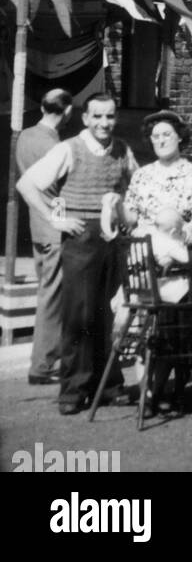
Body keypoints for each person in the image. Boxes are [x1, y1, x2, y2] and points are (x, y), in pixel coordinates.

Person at [16, 93, 137, 415]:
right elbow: (27, 185)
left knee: (108, 314)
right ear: (85, 118)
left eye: (109, 116)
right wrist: (56, 219)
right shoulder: (68, 148)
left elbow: (135, 190)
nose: (104, 123)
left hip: (113, 239)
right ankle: (72, 389)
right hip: (80, 239)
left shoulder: (123, 150)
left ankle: (109, 385)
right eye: (97, 117)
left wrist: (125, 211)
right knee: (79, 316)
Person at [15, 88, 74, 386]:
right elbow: (59, 190)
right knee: (52, 296)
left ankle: (51, 356)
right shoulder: (57, 146)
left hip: (35, 225)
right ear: (68, 112)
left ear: (41, 106)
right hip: (54, 224)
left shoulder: (25, 136)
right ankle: (42, 363)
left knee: (46, 292)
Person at [117, 110, 192, 245]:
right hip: (145, 246)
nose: (161, 141)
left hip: (179, 241)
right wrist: (116, 205)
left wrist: (187, 230)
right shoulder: (141, 175)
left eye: (166, 135)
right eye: (156, 136)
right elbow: (131, 217)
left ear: (179, 137)